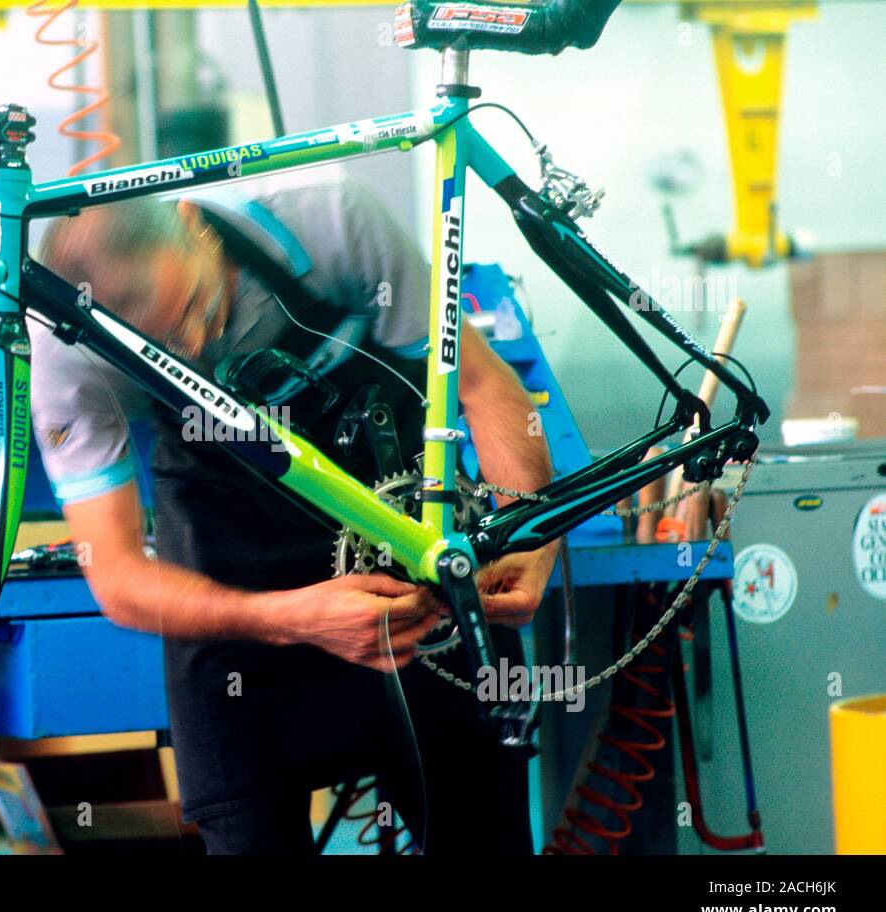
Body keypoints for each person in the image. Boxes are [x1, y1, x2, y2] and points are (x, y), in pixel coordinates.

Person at [31, 174, 557, 854]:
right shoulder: (65, 347)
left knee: (483, 835)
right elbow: (118, 577)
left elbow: (486, 386)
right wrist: (285, 618)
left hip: (412, 579)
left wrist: (527, 532)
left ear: (193, 222)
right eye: (162, 343)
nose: (194, 344)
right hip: (241, 610)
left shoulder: (334, 219)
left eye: (195, 304)